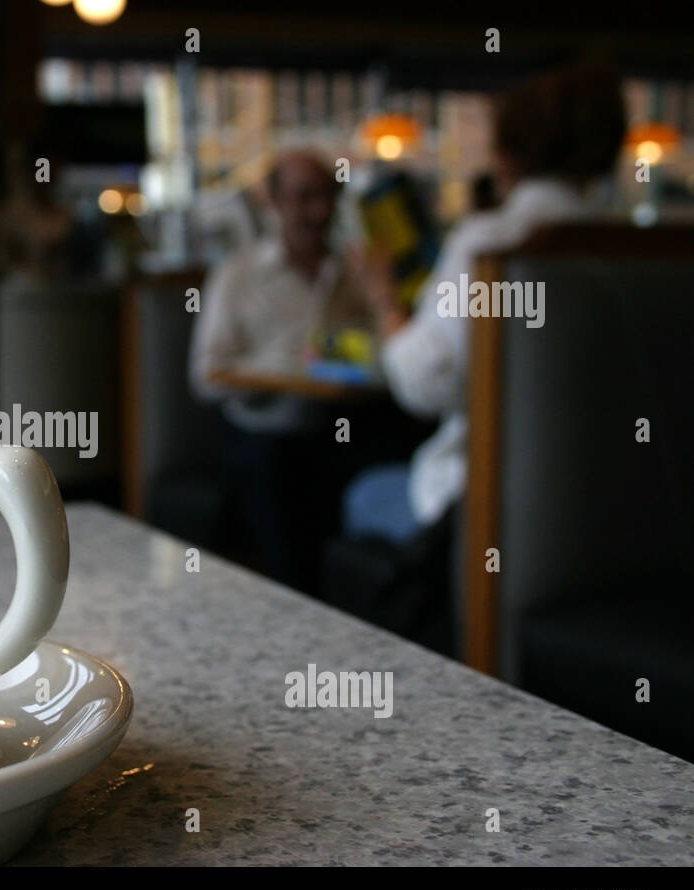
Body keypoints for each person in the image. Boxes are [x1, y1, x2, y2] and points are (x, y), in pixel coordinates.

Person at [346, 59, 626, 544]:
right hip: (612, 501)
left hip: (493, 504)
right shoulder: (632, 251)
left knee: (363, 493)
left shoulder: (494, 246)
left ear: (507, 155)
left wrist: (385, 302)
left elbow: (426, 384)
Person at [189, 148, 374, 589]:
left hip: (340, 426)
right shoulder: (238, 275)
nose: (320, 210)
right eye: (305, 197)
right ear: (272, 201)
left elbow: (375, 352)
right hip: (264, 433)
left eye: (329, 195)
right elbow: (205, 374)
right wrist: (274, 373)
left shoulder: (354, 271)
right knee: (279, 475)